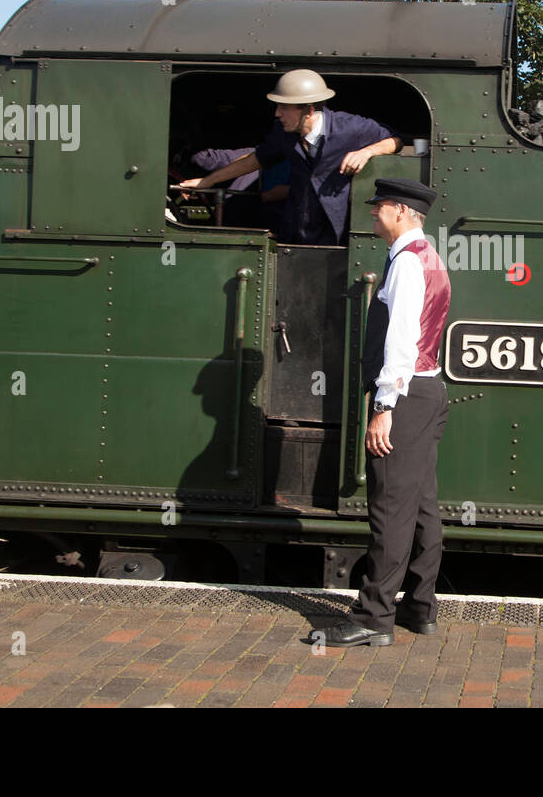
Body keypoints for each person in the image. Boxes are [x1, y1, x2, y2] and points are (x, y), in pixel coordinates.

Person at [324, 178, 451, 648]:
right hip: (428, 391)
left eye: (378, 208)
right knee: (420, 508)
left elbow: (401, 341)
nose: (373, 214)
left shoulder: (407, 263)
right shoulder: (430, 258)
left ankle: (373, 618)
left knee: (389, 510)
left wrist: (383, 407)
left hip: (408, 395)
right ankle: (420, 609)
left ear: (400, 211)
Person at [179, 69, 401, 245]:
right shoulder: (282, 133)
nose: (277, 113)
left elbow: (395, 140)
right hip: (296, 230)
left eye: (284, 107)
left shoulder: (351, 128)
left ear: (309, 110)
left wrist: (367, 152)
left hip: (336, 233)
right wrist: (207, 181)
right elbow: (255, 160)